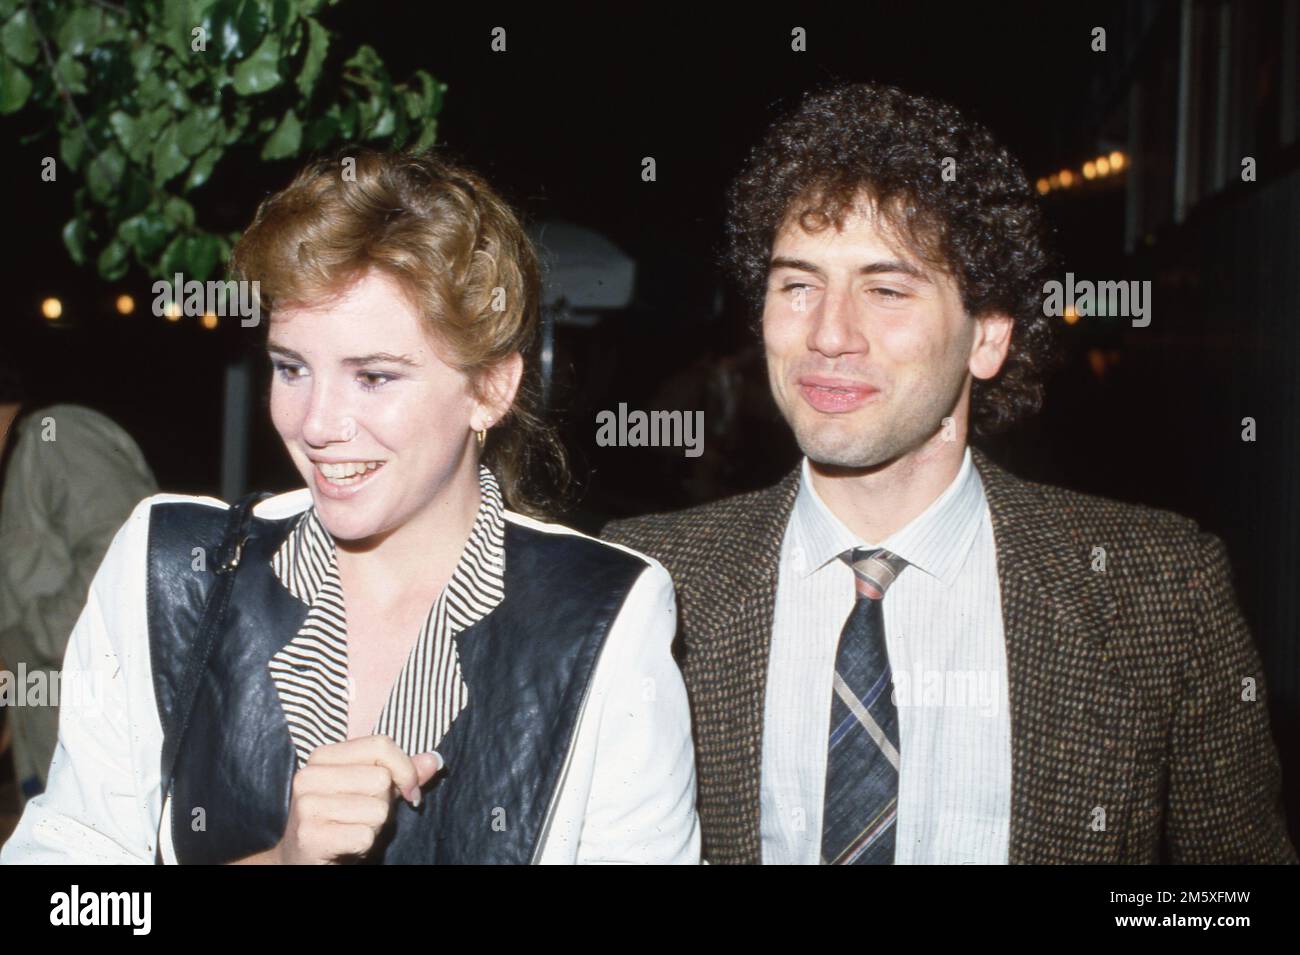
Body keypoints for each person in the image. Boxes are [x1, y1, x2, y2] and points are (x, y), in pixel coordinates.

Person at [604, 82, 1296, 865]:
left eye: (886, 290)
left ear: (988, 336)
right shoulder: (647, 580)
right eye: (798, 285)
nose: (829, 333)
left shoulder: (1158, 591)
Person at [1, 149, 699, 864]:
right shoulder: (174, 570)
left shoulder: (604, 613)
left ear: (491, 388)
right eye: (291, 368)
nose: (316, 423)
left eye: (373, 377)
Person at [0, 353, 157, 808]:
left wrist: (27, 637)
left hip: (110, 764)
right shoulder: (20, 459)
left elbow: (127, 552)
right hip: (62, 768)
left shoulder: (54, 435)